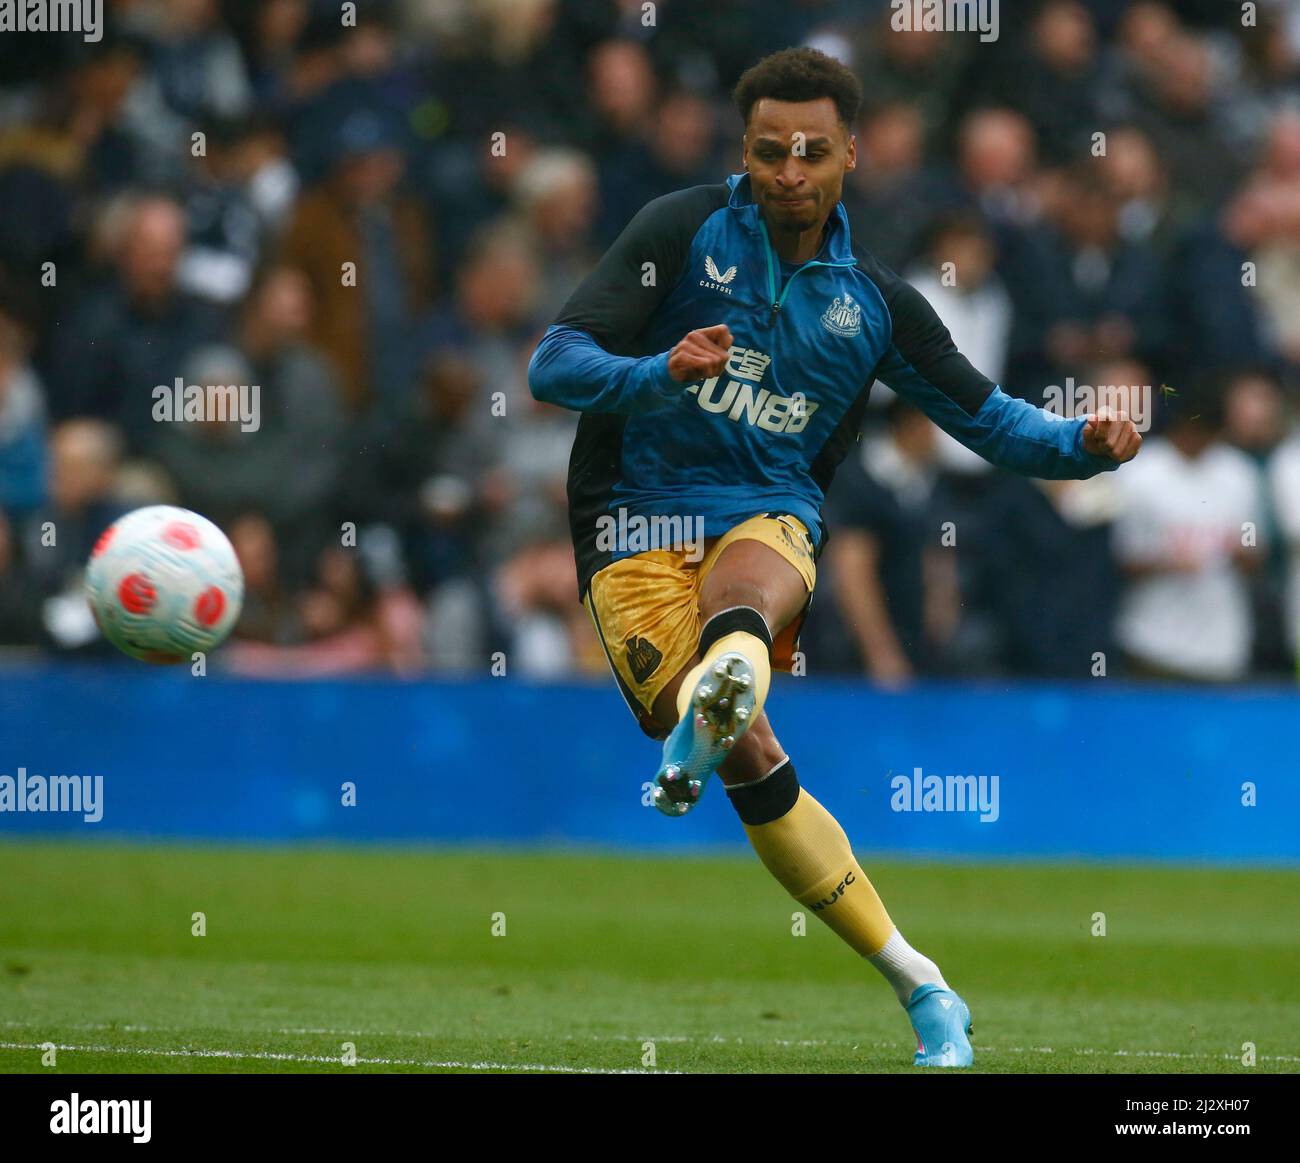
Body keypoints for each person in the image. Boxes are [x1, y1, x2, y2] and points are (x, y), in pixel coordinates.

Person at [527, 47, 1141, 1068]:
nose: (790, 171)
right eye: (770, 152)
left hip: (765, 511)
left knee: (750, 591)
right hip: (631, 522)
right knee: (753, 757)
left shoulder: (875, 306)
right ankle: (922, 981)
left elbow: (986, 419)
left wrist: (1080, 444)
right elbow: (554, 361)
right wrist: (655, 372)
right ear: (746, 152)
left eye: (813, 151)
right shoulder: (677, 232)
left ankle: (714, 695)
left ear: (851, 154)